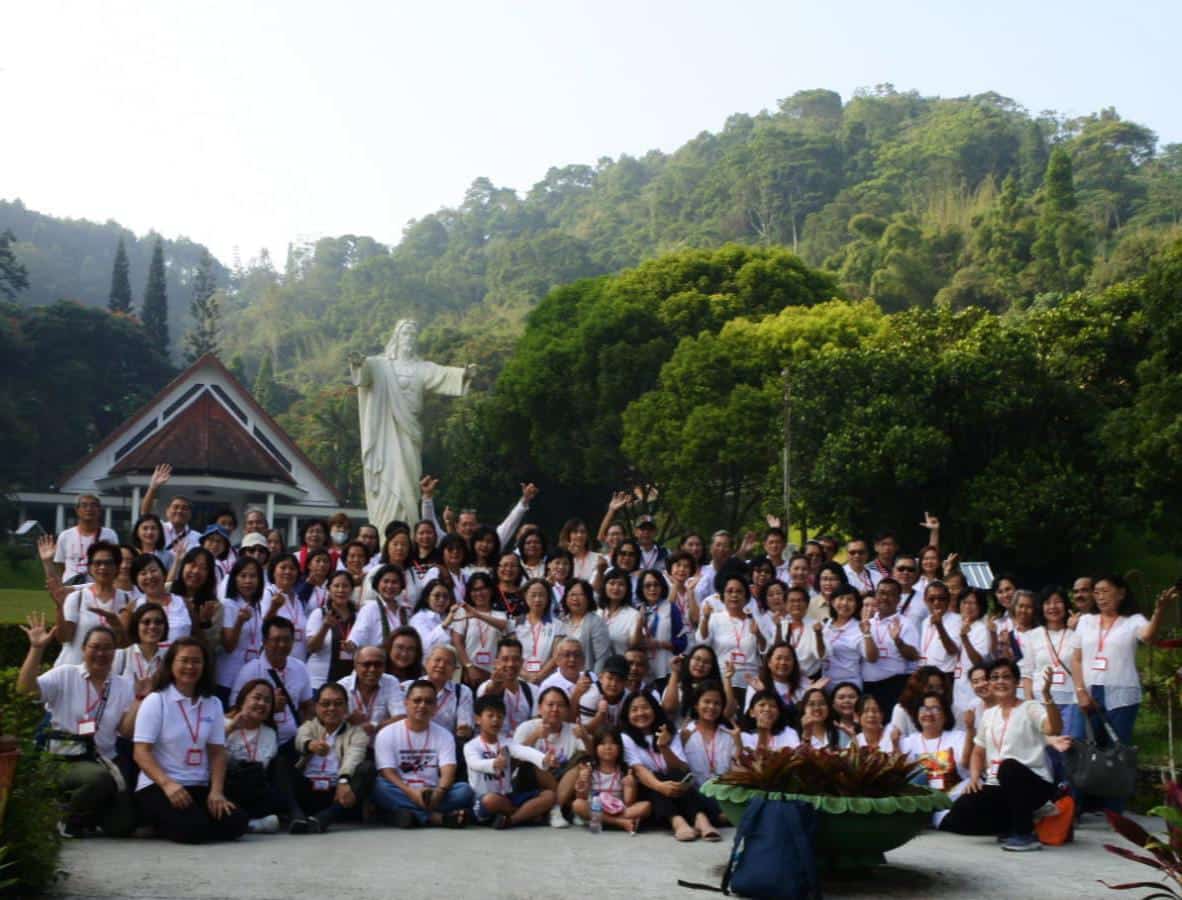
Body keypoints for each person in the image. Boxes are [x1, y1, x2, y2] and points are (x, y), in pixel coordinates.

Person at [18, 616, 137, 837]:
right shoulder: (65, 675)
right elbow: (26, 689)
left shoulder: (123, 686)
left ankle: (84, 813)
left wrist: (140, 699)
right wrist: (36, 649)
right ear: (83, 649)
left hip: (104, 759)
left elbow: (125, 731)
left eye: (108, 648)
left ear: (115, 652)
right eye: (95, 647)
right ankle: (65, 820)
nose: (101, 654)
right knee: (97, 779)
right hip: (64, 760)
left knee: (122, 825)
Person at [349, 320, 473, 529]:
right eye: (406, 333)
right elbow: (364, 374)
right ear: (397, 336)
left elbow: (442, 374)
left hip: (410, 434)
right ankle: (384, 533)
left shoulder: (421, 368)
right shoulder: (380, 365)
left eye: (414, 334)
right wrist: (358, 364)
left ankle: (408, 532)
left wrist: (464, 374)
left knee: (408, 480)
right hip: (385, 436)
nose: (410, 338)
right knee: (388, 483)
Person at [940, 660, 1071, 851]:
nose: (1000, 681)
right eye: (995, 677)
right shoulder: (989, 714)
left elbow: (1054, 727)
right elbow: (978, 751)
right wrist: (975, 778)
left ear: (1016, 682)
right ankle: (1013, 824)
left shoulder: (1030, 708)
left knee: (1008, 767)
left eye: (1006, 677)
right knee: (959, 814)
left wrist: (1047, 696)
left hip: (1033, 783)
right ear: (990, 683)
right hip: (998, 785)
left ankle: (1026, 835)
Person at [132, 637, 250, 843]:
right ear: (171, 664)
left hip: (198, 784)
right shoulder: (156, 700)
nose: (190, 666)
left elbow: (217, 752)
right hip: (161, 785)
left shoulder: (212, 702)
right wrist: (168, 784)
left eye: (196, 661)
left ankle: (181, 822)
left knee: (237, 822)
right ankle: (158, 821)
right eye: (184, 660)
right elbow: (141, 752)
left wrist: (216, 792)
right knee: (193, 831)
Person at [1072, 576, 1173, 809]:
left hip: (1121, 692)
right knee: (1083, 747)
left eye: (1106, 591)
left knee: (1117, 752)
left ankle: (1114, 809)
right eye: (1096, 592)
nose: (1100, 596)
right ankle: (1077, 806)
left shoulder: (1132, 620)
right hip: (1089, 689)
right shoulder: (1086, 621)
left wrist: (1159, 611)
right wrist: (1080, 690)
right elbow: (1076, 659)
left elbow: (1148, 636)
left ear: (1121, 593)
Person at [373, 679, 475, 828]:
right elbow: (387, 772)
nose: (422, 706)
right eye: (417, 700)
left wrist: (439, 793)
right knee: (378, 787)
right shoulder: (387, 733)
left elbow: (448, 771)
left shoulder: (444, 735)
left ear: (435, 707)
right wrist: (411, 793)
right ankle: (436, 818)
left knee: (464, 791)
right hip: (403, 789)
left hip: (433, 793)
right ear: (406, 703)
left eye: (428, 702)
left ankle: (411, 815)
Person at [620, 692, 717, 841]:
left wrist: (665, 747)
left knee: (678, 775)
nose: (640, 713)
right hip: (648, 789)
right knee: (657, 778)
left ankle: (701, 820)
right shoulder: (625, 737)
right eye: (634, 710)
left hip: (675, 785)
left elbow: (682, 767)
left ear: (654, 709)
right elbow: (639, 770)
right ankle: (678, 822)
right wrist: (660, 786)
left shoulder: (670, 731)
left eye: (645, 708)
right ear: (627, 714)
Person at [465, 696, 556, 829]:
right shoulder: (471, 746)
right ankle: (527, 814)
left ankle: (511, 820)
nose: (496, 720)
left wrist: (543, 759)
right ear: (477, 719)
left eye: (500, 717)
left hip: (508, 796)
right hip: (483, 800)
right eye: (490, 716)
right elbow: (474, 763)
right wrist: (493, 764)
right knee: (491, 800)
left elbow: (523, 751)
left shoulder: (506, 742)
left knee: (549, 795)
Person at [290, 683, 369, 834]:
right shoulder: (308, 727)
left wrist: (343, 780)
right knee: (280, 763)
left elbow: (354, 757)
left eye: (338, 704)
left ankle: (325, 818)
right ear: (316, 707)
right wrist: (311, 745)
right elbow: (301, 739)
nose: (331, 708)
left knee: (367, 769)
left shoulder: (357, 733)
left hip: (337, 793)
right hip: (308, 789)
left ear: (346, 707)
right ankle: (296, 815)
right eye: (325, 704)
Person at [231, 617, 315, 754]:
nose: (282, 644)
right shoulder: (250, 670)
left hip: (293, 742)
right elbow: (234, 710)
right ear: (264, 642)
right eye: (276, 640)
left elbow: (308, 706)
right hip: (257, 742)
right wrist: (270, 709)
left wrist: (304, 733)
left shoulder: (300, 667)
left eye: (287, 640)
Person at [511, 686, 588, 827]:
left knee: (581, 765)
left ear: (566, 710)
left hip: (562, 778)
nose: (555, 709)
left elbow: (590, 756)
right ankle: (565, 808)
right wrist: (534, 736)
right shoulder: (526, 727)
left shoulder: (572, 729)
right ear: (540, 708)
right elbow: (514, 760)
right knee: (535, 761)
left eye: (560, 705)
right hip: (531, 781)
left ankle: (555, 808)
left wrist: (585, 738)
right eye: (550, 704)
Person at [51, 541, 132, 668]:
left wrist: (116, 624)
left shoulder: (126, 599)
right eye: (97, 563)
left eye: (108, 563)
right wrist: (59, 607)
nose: (103, 567)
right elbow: (64, 637)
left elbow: (124, 643)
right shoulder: (77, 598)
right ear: (89, 568)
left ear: (117, 567)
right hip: (74, 669)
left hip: (106, 673)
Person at [222, 679, 281, 834]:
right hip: (225, 785)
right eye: (257, 697)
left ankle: (248, 822)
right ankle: (250, 824)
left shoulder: (270, 733)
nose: (262, 703)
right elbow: (207, 753)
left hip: (252, 790)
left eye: (268, 701)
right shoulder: (223, 723)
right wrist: (231, 728)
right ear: (243, 699)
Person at [860, 578, 919, 717]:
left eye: (890, 594)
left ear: (898, 599)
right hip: (868, 687)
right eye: (881, 593)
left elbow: (913, 655)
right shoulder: (867, 623)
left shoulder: (906, 624)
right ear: (875, 596)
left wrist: (898, 641)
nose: (885, 598)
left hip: (894, 686)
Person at [572, 729, 650, 833]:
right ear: (595, 748)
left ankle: (607, 821)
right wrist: (582, 781)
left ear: (620, 748)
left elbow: (629, 802)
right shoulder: (590, 769)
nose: (608, 747)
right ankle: (620, 823)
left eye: (613, 743)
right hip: (596, 809)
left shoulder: (625, 770)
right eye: (603, 744)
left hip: (619, 810)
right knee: (578, 804)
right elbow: (581, 797)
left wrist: (631, 786)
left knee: (646, 806)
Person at [700, 574, 764, 696]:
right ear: (723, 596)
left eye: (739, 591)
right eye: (730, 591)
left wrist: (759, 635)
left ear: (746, 596)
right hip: (722, 679)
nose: (734, 595)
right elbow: (703, 642)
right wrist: (705, 619)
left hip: (750, 681)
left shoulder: (754, 620)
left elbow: (764, 650)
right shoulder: (714, 618)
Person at [901, 691, 971, 796]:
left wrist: (971, 730)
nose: (928, 713)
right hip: (920, 800)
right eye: (924, 709)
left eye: (935, 709)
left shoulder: (958, 737)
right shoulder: (907, 743)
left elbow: (965, 764)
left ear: (945, 715)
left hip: (954, 797)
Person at [217, 557, 266, 700]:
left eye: (253, 576)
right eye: (243, 576)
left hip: (250, 676)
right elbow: (228, 645)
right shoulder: (228, 605)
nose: (248, 581)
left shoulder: (256, 606)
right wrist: (239, 621)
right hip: (228, 676)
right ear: (235, 579)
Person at [450, 571, 508, 687]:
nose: (479, 593)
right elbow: (457, 642)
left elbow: (503, 625)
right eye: (475, 590)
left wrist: (477, 615)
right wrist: (469, 667)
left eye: (483, 589)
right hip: (468, 674)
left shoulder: (500, 614)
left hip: (492, 675)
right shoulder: (463, 612)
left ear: (491, 590)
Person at [338, 645, 407, 740]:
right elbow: (332, 723)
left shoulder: (391, 682)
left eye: (378, 665)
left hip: (381, 743)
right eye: (366, 664)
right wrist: (348, 720)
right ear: (355, 665)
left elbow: (401, 717)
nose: (372, 669)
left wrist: (374, 727)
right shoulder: (342, 686)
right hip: (350, 744)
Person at [678, 681, 738, 789]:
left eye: (717, 703)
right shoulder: (684, 734)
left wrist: (739, 745)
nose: (711, 707)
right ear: (696, 705)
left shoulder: (729, 734)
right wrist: (681, 744)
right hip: (695, 795)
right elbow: (678, 769)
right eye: (706, 702)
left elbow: (736, 767)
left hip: (725, 792)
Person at [304, 571, 359, 688]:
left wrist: (354, 649)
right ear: (329, 589)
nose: (341, 590)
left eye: (345, 586)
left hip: (348, 683)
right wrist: (325, 627)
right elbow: (311, 648)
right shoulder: (319, 614)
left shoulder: (358, 616)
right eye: (336, 586)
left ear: (351, 589)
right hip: (319, 681)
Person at [48, 495, 119, 584]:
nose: (89, 509)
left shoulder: (109, 535)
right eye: (84, 505)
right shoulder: (65, 536)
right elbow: (60, 565)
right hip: (71, 587)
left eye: (93, 505)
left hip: (98, 586)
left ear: (99, 510)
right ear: (77, 510)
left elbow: (116, 562)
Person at [660, 645, 736, 728]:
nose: (700, 664)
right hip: (681, 736)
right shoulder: (676, 685)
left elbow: (727, 713)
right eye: (697, 659)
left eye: (706, 662)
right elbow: (668, 708)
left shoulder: (717, 689)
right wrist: (675, 672)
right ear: (689, 660)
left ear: (712, 667)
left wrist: (727, 679)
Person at [476, 638, 536, 737]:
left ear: (522, 662)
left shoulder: (532, 691)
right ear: (496, 663)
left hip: (523, 746)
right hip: (494, 746)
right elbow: (489, 692)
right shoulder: (484, 687)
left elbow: (535, 724)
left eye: (515, 659)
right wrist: (496, 684)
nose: (510, 664)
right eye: (505, 659)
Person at [635, 569, 686, 680]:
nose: (652, 589)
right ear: (641, 588)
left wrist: (659, 644)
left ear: (662, 586)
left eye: (656, 585)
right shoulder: (636, 611)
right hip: (642, 671)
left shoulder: (671, 608)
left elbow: (682, 642)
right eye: (647, 586)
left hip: (666, 669)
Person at [130, 553, 188, 648]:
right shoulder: (133, 606)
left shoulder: (183, 602)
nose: (149, 576)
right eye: (143, 573)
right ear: (136, 580)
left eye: (153, 571)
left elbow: (197, 636)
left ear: (163, 573)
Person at [821, 586, 875, 689]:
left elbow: (871, 658)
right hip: (826, 683)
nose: (845, 603)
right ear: (832, 602)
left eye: (850, 600)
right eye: (841, 598)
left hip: (849, 685)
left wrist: (867, 634)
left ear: (856, 605)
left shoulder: (860, 627)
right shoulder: (826, 625)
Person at [514, 578, 566, 683]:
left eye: (542, 595)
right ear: (525, 596)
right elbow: (512, 655)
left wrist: (540, 676)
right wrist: (526, 676)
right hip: (520, 679)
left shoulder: (558, 625)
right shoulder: (515, 624)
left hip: (548, 680)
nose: (537, 599)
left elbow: (556, 656)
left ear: (548, 598)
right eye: (533, 595)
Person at [114, 602, 168, 699]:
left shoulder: (169, 658)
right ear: (136, 626)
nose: (152, 626)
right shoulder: (121, 656)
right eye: (146, 622)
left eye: (158, 622)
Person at [559, 578, 611, 675]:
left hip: (585, 679)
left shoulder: (596, 622)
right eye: (572, 594)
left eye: (581, 595)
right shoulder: (561, 621)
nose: (575, 598)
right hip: (561, 679)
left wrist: (593, 681)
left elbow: (602, 658)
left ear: (588, 598)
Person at [262, 554, 308, 661]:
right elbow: (263, 626)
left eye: (292, 568)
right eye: (283, 568)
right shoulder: (268, 593)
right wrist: (274, 607)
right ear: (273, 571)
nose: (288, 572)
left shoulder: (297, 599)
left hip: (298, 661)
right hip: (275, 660)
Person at [352, 564, 409, 651]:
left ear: (401, 586)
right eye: (386, 581)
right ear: (377, 584)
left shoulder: (405, 610)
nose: (389, 586)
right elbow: (358, 635)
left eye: (394, 582)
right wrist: (351, 644)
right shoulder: (370, 608)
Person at [919, 581, 961, 675]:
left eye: (941, 599)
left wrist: (939, 626)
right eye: (931, 599)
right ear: (925, 600)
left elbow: (952, 650)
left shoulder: (957, 620)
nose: (936, 602)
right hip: (926, 673)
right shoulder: (925, 621)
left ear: (948, 600)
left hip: (945, 674)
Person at [600, 569, 642, 657]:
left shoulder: (633, 615)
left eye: (621, 584)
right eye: (612, 583)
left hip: (620, 666)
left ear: (627, 589)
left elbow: (634, 645)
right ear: (604, 586)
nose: (616, 588)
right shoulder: (596, 612)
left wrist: (640, 623)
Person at [558, 518, 601, 583]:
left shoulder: (598, 557)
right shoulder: (560, 560)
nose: (579, 535)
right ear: (568, 535)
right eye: (575, 532)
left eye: (583, 532)